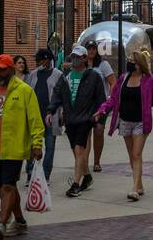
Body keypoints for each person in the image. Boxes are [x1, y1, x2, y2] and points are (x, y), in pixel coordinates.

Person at [0, 54, 43, 240]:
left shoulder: (24, 91)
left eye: (2, 69)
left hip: (13, 147)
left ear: (12, 70)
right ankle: (20, 220)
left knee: (8, 186)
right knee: (0, 186)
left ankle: (2, 223)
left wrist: (37, 144)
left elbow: (35, 120)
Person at [97, 49, 153, 201]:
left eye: (132, 61)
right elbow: (113, 99)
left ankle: (134, 189)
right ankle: (139, 184)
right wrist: (102, 110)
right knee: (131, 155)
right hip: (125, 121)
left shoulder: (149, 81)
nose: (129, 64)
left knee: (136, 154)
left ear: (139, 64)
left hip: (141, 121)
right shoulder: (123, 78)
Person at [51, 45, 107, 198]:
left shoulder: (94, 76)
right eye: (72, 56)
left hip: (86, 118)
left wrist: (100, 117)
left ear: (84, 58)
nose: (74, 59)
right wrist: (51, 110)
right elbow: (57, 94)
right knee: (76, 152)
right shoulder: (66, 77)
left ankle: (76, 184)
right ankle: (87, 176)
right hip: (70, 119)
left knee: (79, 149)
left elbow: (101, 99)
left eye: (77, 56)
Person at [29, 48, 62, 182]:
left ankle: (45, 176)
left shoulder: (58, 75)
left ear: (47, 60)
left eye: (39, 60)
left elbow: (61, 95)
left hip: (50, 117)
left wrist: (62, 112)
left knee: (50, 147)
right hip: (34, 117)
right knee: (32, 146)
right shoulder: (33, 74)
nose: (37, 63)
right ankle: (31, 174)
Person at [88, 48, 116, 172]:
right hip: (86, 104)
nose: (91, 51)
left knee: (98, 131)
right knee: (85, 134)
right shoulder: (82, 65)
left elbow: (113, 82)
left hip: (101, 103)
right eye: (88, 49)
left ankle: (96, 162)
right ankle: (83, 161)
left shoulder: (103, 65)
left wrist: (109, 98)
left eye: (93, 49)